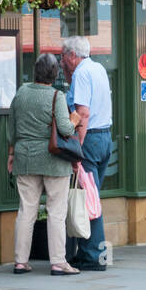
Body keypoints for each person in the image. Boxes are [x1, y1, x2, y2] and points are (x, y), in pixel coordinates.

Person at [6, 52, 80, 276]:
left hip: (25, 157)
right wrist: (75, 119)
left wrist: (11, 154)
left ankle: (20, 261)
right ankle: (57, 262)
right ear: (55, 74)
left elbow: (12, 127)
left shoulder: (21, 93)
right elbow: (66, 130)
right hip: (54, 161)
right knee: (56, 211)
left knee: (26, 210)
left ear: (36, 71)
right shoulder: (56, 96)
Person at [61, 36, 112, 272]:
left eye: (63, 57)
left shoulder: (81, 73)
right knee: (93, 197)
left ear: (73, 55)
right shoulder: (98, 68)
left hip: (89, 140)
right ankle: (91, 252)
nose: (62, 62)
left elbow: (82, 113)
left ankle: (93, 255)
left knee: (88, 200)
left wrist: (75, 148)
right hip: (104, 137)